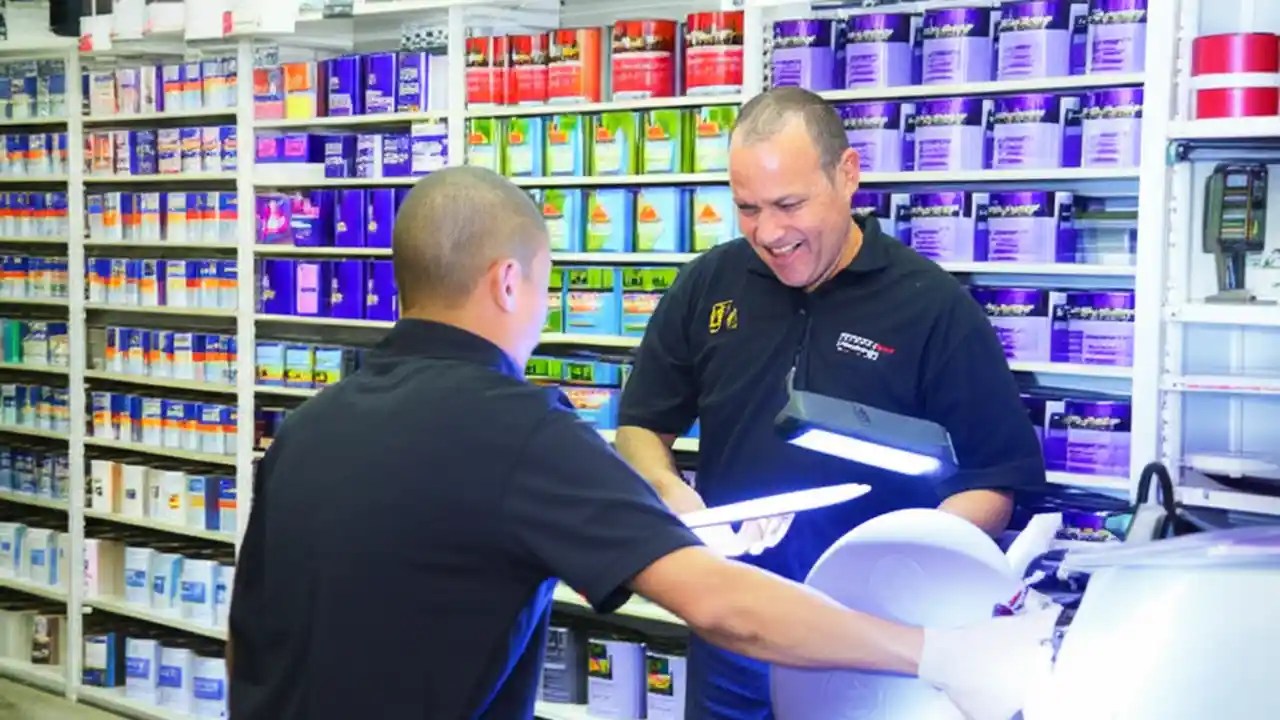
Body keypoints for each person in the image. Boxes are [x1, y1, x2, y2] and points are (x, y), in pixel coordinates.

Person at [226, 165, 1056, 720]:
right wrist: (938, 653)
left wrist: (678, 524)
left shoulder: (306, 428)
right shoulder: (521, 430)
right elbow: (724, 608)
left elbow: (250, 631)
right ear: (509, 282)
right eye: (546, 284)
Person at [615, 87, 1049, 719]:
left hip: (871, 646)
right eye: (747, 208)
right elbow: (639, 426)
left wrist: (885, 565)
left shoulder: (932, 308)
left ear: (847, 175)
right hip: (734, 631)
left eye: (790, 204)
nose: (769, 232)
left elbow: (993, 484)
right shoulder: (708, 284)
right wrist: (672, 494)